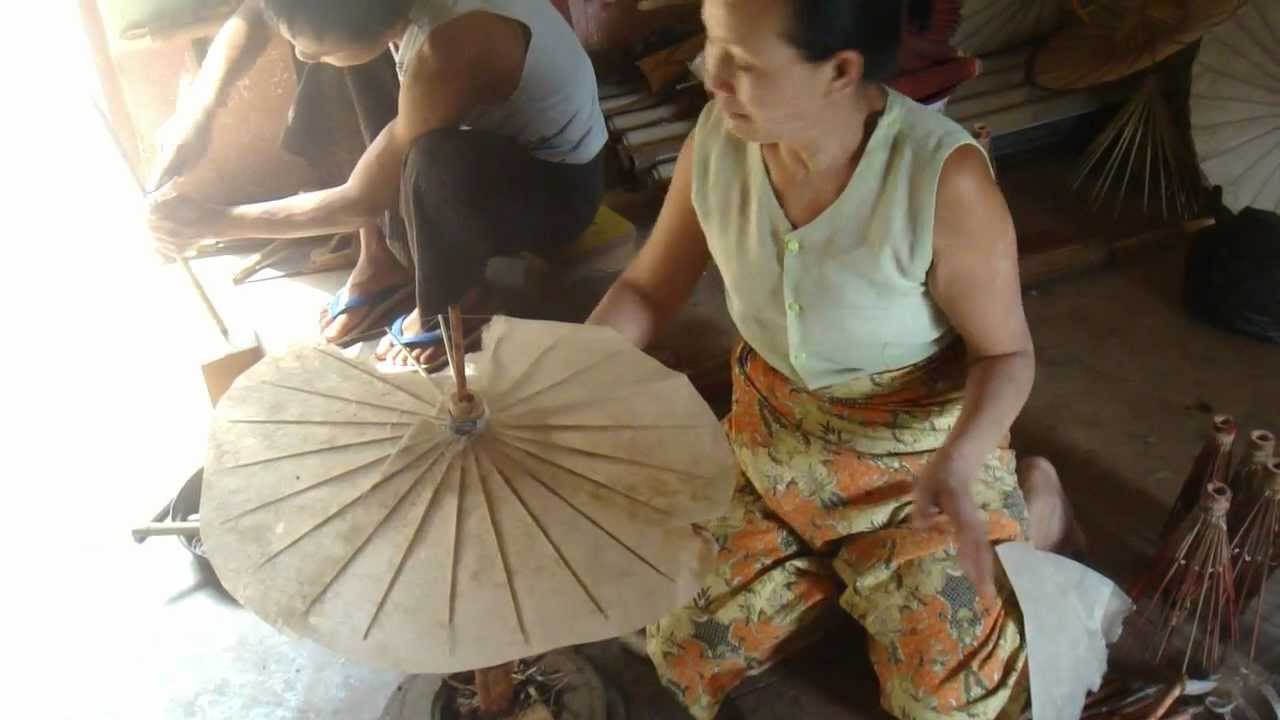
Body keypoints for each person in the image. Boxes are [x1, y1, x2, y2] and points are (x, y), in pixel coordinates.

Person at [584, 1, 1072, 718]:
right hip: (773, 450)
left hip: (916, 474)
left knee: (953, 707)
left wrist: (962, 465)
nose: (713, 78)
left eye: (744, 64)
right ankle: (847, 583)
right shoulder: (718, 142)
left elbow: (1005, 354)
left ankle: (1037, 503)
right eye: (713, 48)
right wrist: (558, 377)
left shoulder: (941, 179)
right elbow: (648, 287)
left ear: (840, 71)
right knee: (684, 647)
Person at [147, 0, 607, 364]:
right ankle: (380, 257)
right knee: (331, 53)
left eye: (316, 47)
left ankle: (459, 298)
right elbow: (261, 10)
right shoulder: (376, 8)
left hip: (557, 185)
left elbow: (362, 200)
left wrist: (213, 223)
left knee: (434, 162)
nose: (305, 55)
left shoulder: (451, 46)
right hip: (471, 115)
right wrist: (200, 111)